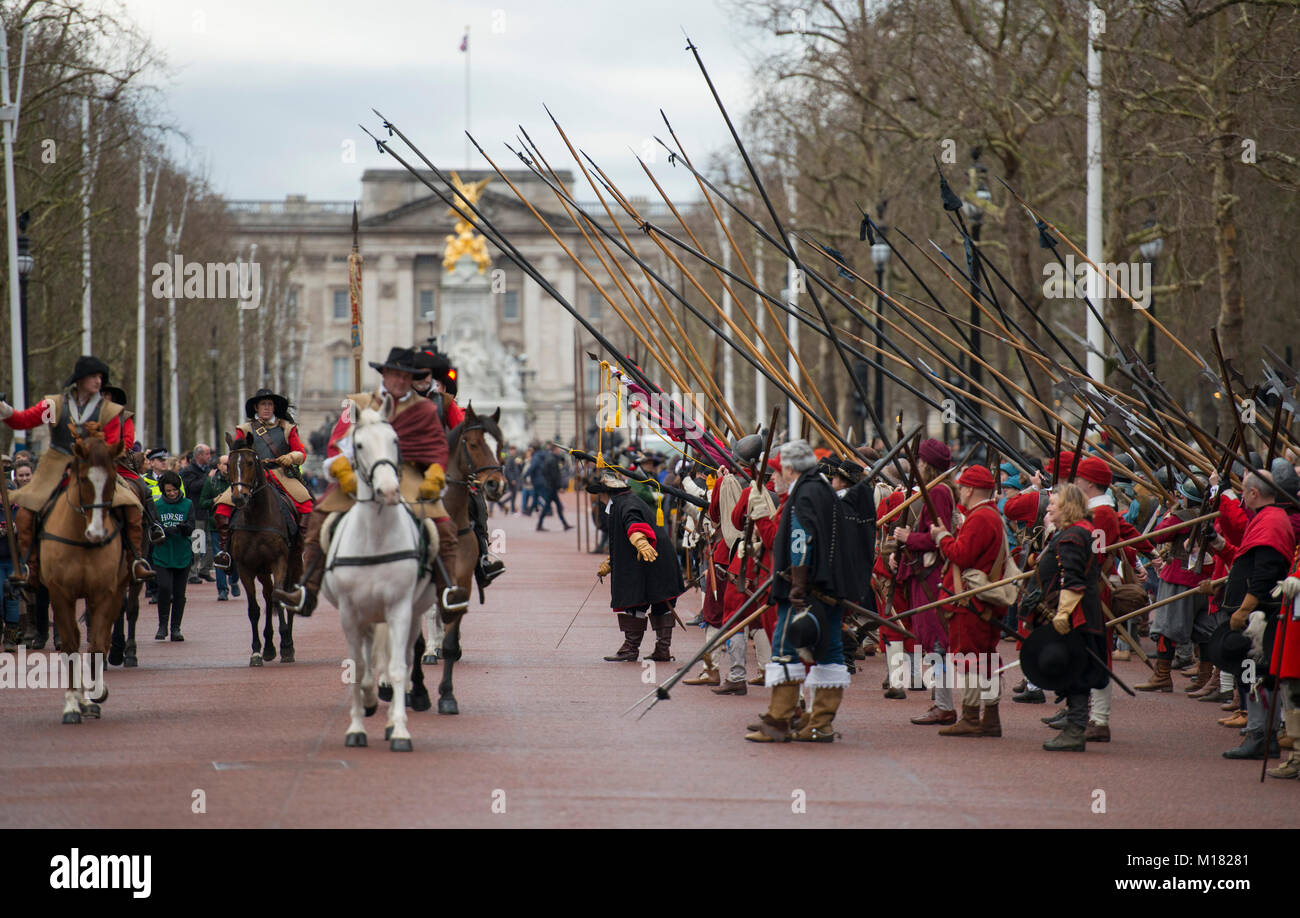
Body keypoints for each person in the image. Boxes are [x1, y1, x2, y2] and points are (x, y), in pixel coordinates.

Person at [275, 347, 466, 618]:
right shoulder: (358, 403)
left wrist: (435, 476)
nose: (400, 381)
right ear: (384, 375)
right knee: (319, 517)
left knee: (443, 527)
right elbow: (337, 445)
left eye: (405, 375)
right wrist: (344, 473)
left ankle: (447, 590)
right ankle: (307, 588)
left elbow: (437, 447)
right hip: (360, 474)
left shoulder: (424, 408)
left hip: (410, 475)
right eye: (394, 374)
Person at [0, 355, 154, 595]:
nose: (99, 381)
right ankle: (29, 568)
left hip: (96, 470)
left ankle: (136, 561)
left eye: (101, 377)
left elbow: (114, 442)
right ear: (80, 380)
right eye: (94, 376)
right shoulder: (55, 404)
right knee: (26, 512)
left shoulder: (111, 411)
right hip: (57, 469)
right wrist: (5, 410)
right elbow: (24, 420)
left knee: (133, 505)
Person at [746, 440, 866, 744]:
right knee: (829, 653)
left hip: (805, 589)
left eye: (778, 470)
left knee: (786, 650)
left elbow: (800, 539)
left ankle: (778, 722)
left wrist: (798, 585)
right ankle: (818, 723)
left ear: (789, 468)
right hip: (828, 587)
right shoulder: (822, 489)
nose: (775, 476)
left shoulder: (805, 493)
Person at [929, 464, 1010, 738]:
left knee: (970, 660)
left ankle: (972, 717)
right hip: (980, 602)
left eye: (962, 487)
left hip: (970, 602)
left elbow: (961, 555)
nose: (960, 492)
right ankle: (990, 718)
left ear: (971, 489)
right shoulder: (987, 515)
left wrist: (942, 537)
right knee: (985, 659)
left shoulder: (981, 518)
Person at [1221, 467, 1297, 761]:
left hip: (1259, 616)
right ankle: (1261, 733)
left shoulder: (1271, 521)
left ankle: (1259, 735)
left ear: (1254, 493)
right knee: (1252, 672)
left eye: (1243, 491)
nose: (1241, 496)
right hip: (1257, 612)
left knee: (1256, 674)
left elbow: (1264, 574)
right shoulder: (1267, 517)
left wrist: (1244, 609)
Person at [1033, 483, 1109, 752]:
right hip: (1086, 608)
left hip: (1077, 613)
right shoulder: (1083, 530)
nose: (1051, 507)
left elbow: (1072, 580)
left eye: (1057, 503)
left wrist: (1063, 613)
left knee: (1075, 670)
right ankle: (1073, 727)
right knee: (1078, 668)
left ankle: (1075, 731)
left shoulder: (1072, 536)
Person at [211, 388, 314, 577]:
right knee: (221, 508)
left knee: (306, 504)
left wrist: (290, 457)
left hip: (280, 474)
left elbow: (301, 452)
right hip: (250, 476)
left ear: (274, 407)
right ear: (256, 408)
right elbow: (238, 451)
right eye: (263, 404)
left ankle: (301, 549)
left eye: (270, 404)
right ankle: (225, 552)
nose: (266, 408)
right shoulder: (245, 429)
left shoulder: (287, 428)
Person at [892, 438, 959, 726]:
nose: (917, 465)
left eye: (920, 461)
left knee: (936, 641)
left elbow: (939, 536)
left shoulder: (940, 492)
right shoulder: (936, 490)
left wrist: (909, 539)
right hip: (922, 572)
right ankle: (939, 700)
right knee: (930, 638)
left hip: (931, 575)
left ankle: (944, 705)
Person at [590, 466, 683, 663]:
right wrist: (610, 563)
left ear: (607, 493)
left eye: (600, 493)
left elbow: (634, 525)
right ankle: (656, 649)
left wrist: (640, 542)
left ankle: (636, 649)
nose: (600, 498)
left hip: (651, 557)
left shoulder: (626, 504)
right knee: (656, 603)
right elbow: (623, 540)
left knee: (644, 604)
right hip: (648, 560)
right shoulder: (623, 502)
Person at [152, 470, 194, 641]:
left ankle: (175, 628)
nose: (172, 493)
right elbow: (152, 527)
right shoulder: (156, 505)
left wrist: (186, 527)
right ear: (163, 490)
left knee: (179, 593)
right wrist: (163, 531)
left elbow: (192, 524)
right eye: (168, 491)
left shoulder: (188, 504)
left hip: (182, 553)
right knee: (164, 588)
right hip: (162, 553)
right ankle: (162, 625)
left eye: (174, 490)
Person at [200, 455, 239, 601]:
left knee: (236, 556)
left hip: (235, 525)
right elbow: (202, 502)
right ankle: (222, 590)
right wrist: (214, 500)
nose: (227, 467)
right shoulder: (211, 482)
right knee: (220, 557)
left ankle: (234, 581)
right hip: (216, 525)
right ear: (218, 466)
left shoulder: (238, 481)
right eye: (224, 464)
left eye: (230, 464)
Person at [180, 443, 215, 584]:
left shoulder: (208, 469)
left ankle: (205, 570)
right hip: (196, 511)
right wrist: (208, 477)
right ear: (199, 455)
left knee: (210, 543)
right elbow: (192, 487)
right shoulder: (188, 471)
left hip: (208, 511)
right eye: (207, 454)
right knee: (197, 543)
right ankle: (192, 572)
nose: (209, 457)